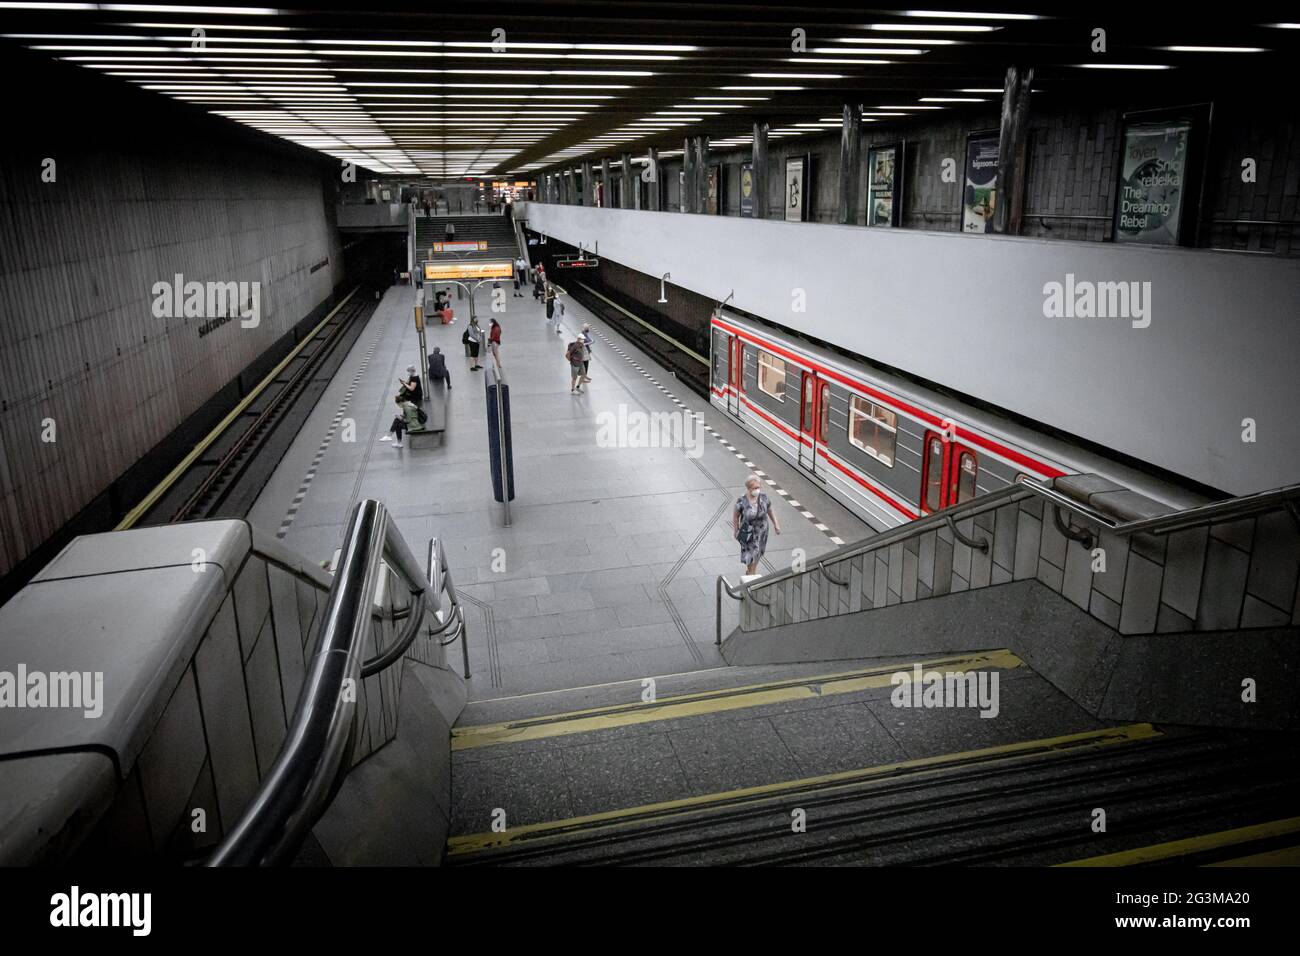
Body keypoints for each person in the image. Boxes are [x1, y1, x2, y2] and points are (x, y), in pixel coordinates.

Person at [733, 475, 781, 575]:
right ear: (749, 488)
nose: (757, 490)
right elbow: (736, 515)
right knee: (750, 554)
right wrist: (736, 530)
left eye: (758, 487)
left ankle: (750, 572)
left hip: (761, 532)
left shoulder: (764, 497)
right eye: (754, 488)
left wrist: (776, 525)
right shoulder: (742, 500)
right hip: (748, 532)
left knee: (758, 553)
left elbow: (770, 510)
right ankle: (752, 574)